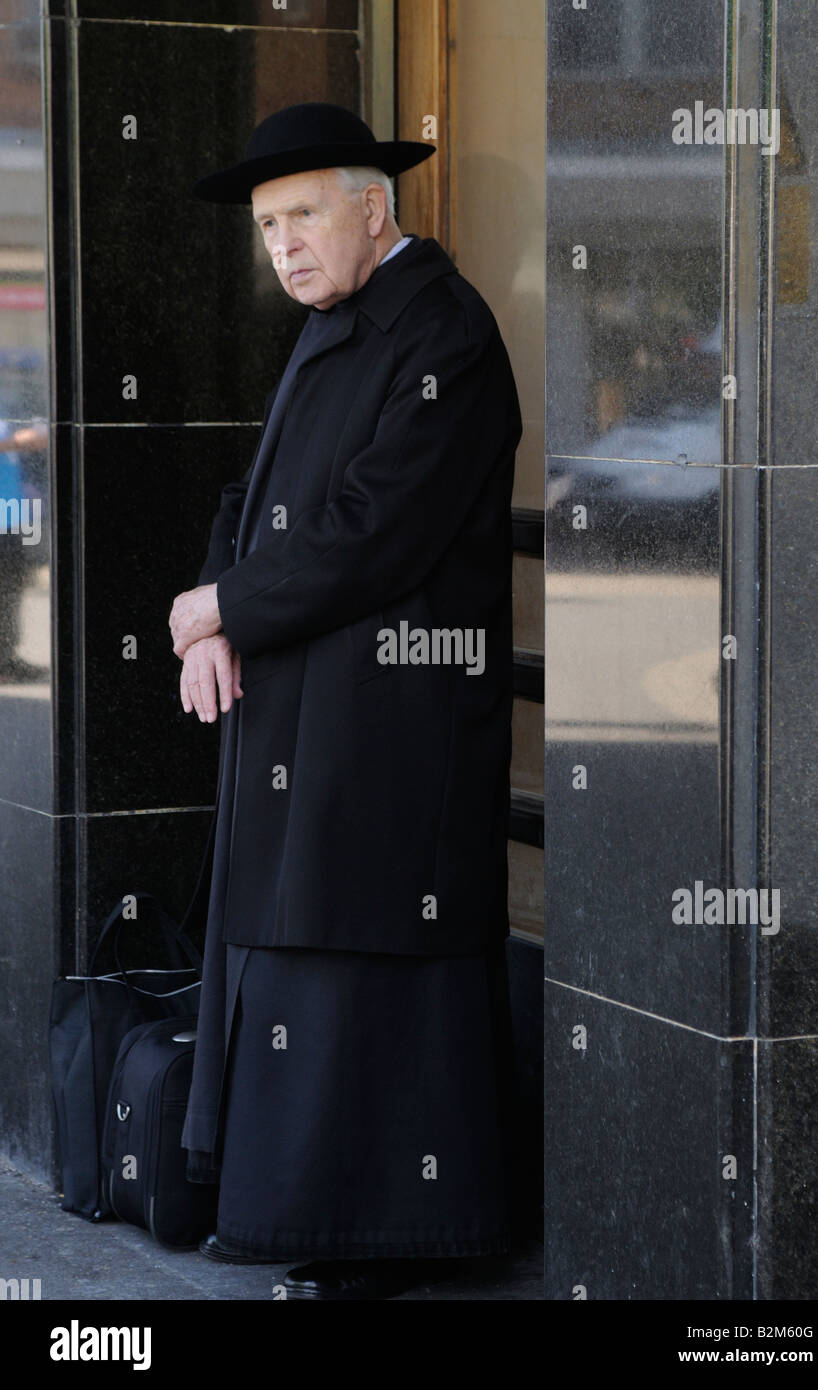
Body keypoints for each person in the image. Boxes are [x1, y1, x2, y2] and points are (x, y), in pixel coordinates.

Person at [168, 102, 523, 1301]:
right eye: (267, 225)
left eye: (301, 214)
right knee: (301, 949)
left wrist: (225, 610)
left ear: (373, 210)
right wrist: (210, 607)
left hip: (389, 727)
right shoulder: (340, 322)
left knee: (366, 957)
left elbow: (374, 529)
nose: (281, 244)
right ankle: (298, 1217)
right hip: (304, 714)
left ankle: (389, 1236)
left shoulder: (442, 330)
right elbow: (258, 493)